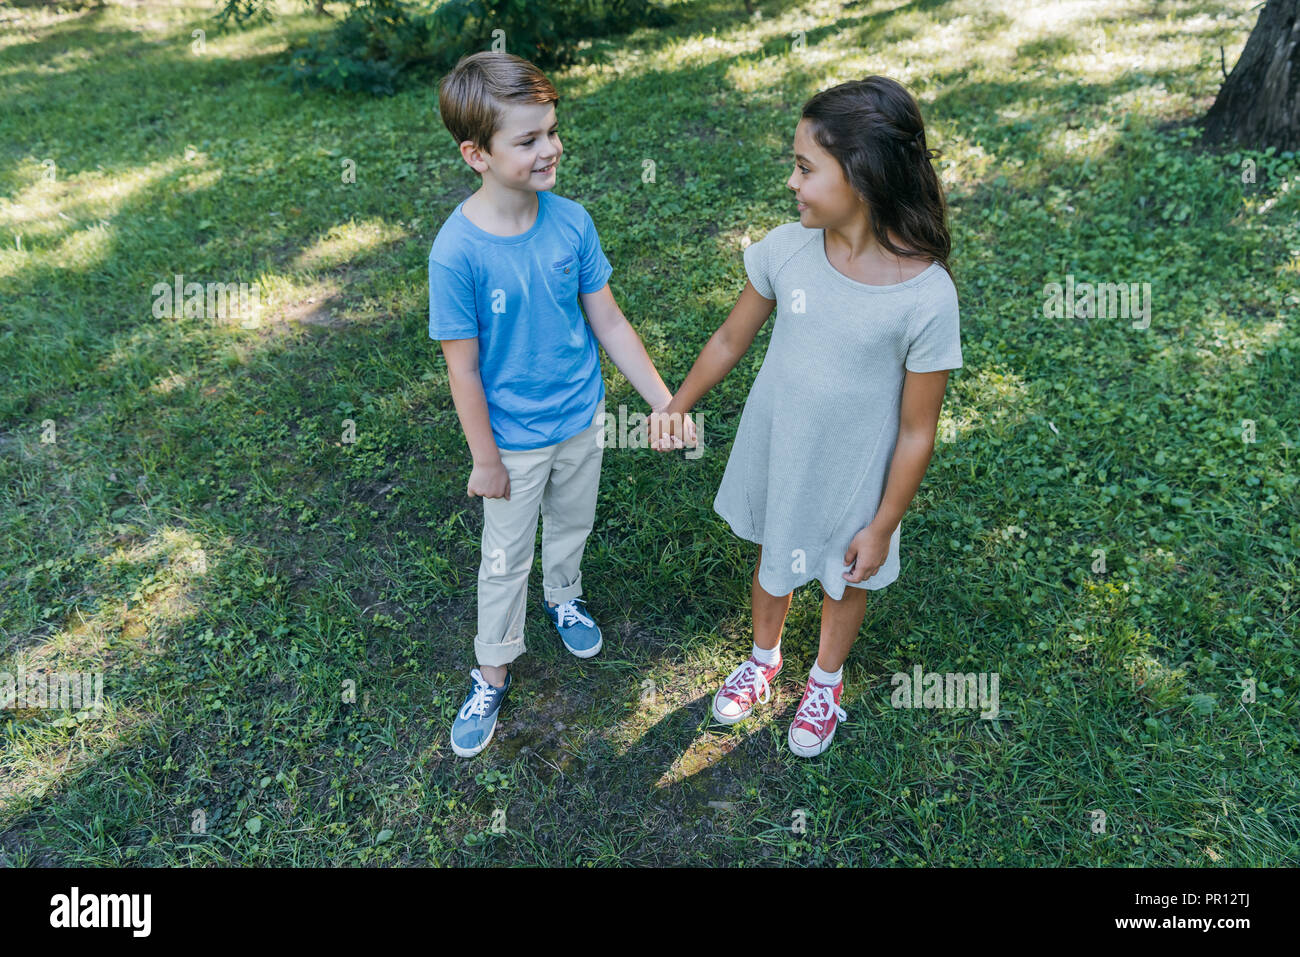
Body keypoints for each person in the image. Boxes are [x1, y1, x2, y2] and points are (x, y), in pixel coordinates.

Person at [653, 77, 963, 757]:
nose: (791, 182)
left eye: (803, 167)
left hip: (857, 472)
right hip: (785, 447)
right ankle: (764, 661)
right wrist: (679, 402)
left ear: (862, 175)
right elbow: (732, 338)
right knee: (775, 555)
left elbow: (917, 429)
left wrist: (883, 524)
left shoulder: (925, 298)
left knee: (845, 574)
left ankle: (825, 680)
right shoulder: (789, 249)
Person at [430, 51, 691, 758]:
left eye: (551, 130)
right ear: (475, 154)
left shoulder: (572, 223)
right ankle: (492, 668)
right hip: (510, 443)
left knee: (572, 523)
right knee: (503, 558)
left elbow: (608, 321)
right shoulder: (457, 253)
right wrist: (485, 458)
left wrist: (663, 399)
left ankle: (565, 594)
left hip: (581, 418)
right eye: (528, 139)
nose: (550, 148)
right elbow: (463, 369)